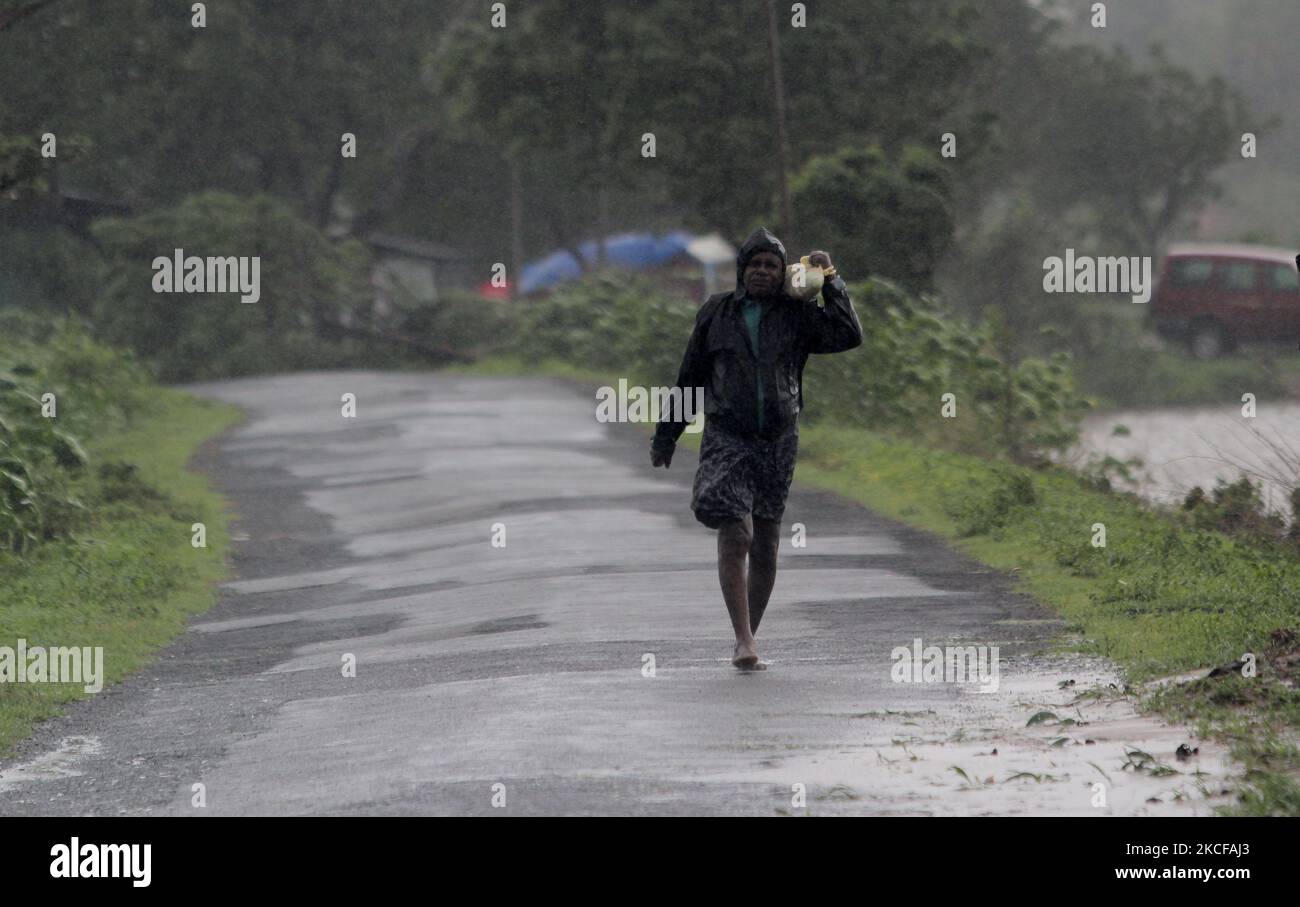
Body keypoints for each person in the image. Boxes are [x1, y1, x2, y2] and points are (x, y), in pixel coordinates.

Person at [650, 227, 863, 670]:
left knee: (765, 542)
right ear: (742, 271)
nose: (762, 272)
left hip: (779, 440)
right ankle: (744, 640)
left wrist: (831, 279)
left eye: (771, 265)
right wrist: (666, 434)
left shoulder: (796, 315)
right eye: (755, 265)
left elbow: (847, 334)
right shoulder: (717, 313)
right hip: (728, 435)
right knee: (737, 533)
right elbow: (689, 377)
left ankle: (745, 637)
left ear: (782, 272)